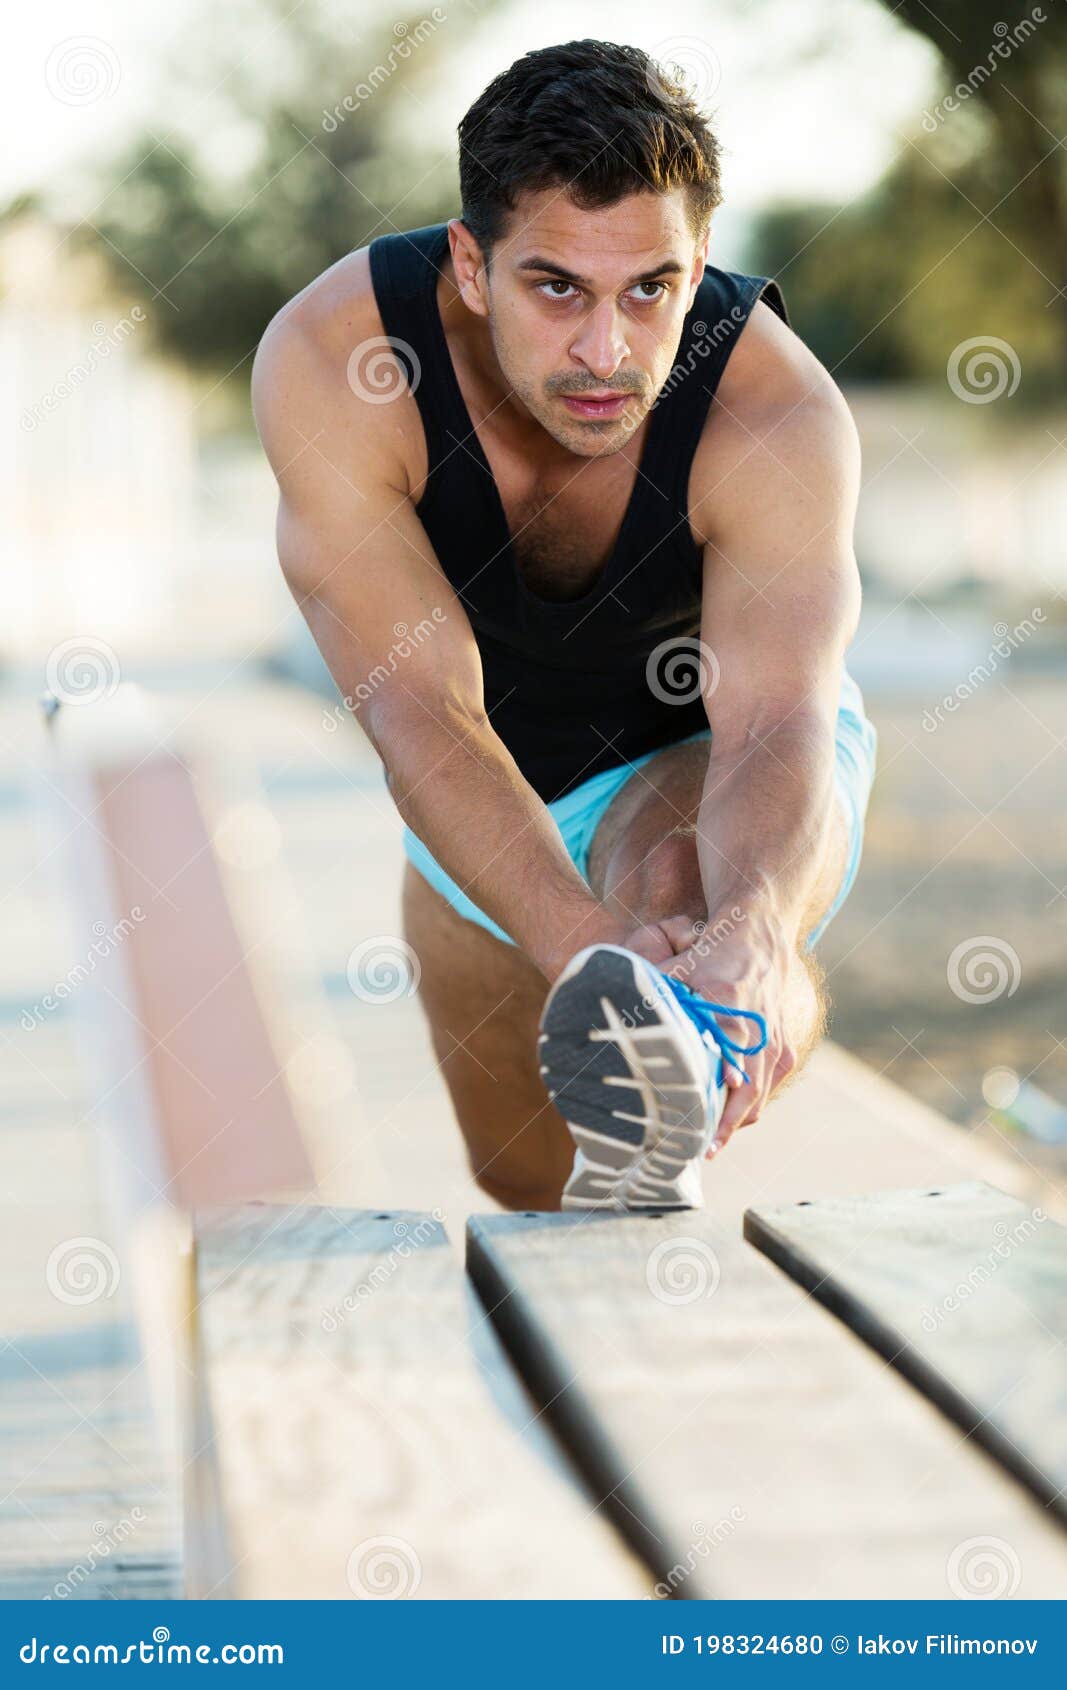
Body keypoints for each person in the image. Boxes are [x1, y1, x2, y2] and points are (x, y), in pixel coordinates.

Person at [252, 38, 877, 1211]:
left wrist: (749, 928)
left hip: (704, 749)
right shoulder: (340, 359)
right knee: (519, 1182)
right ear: (471, 266)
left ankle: (694, 1050)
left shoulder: (774, 409)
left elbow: (772, 718)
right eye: (557, 289)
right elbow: (414, 707)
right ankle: (647, 1087)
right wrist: (568, 937)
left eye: (651, 287)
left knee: (685, 892)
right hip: (474, 771)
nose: (607, 351)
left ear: (697, 264)